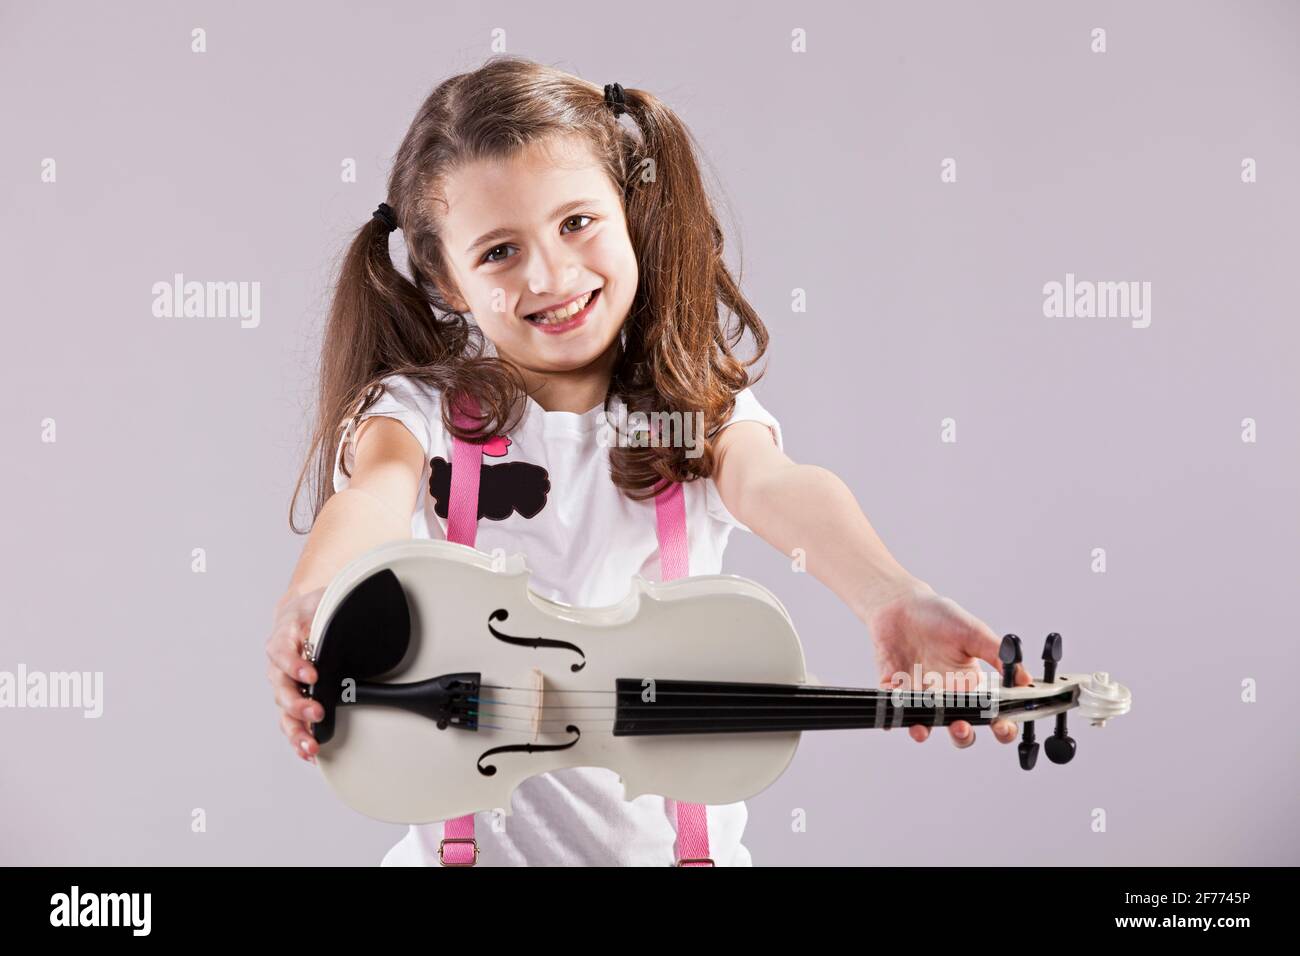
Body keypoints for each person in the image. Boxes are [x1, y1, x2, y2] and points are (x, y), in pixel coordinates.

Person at [267, 55, 1028, 866]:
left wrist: (889, 595)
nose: (551, 274)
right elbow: (373, 495)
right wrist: (315, 591)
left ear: (629, 210)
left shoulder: (688, 413)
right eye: (498, 252)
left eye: (576, 223)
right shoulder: (419, 416)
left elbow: (778, 485)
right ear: (446, 282)